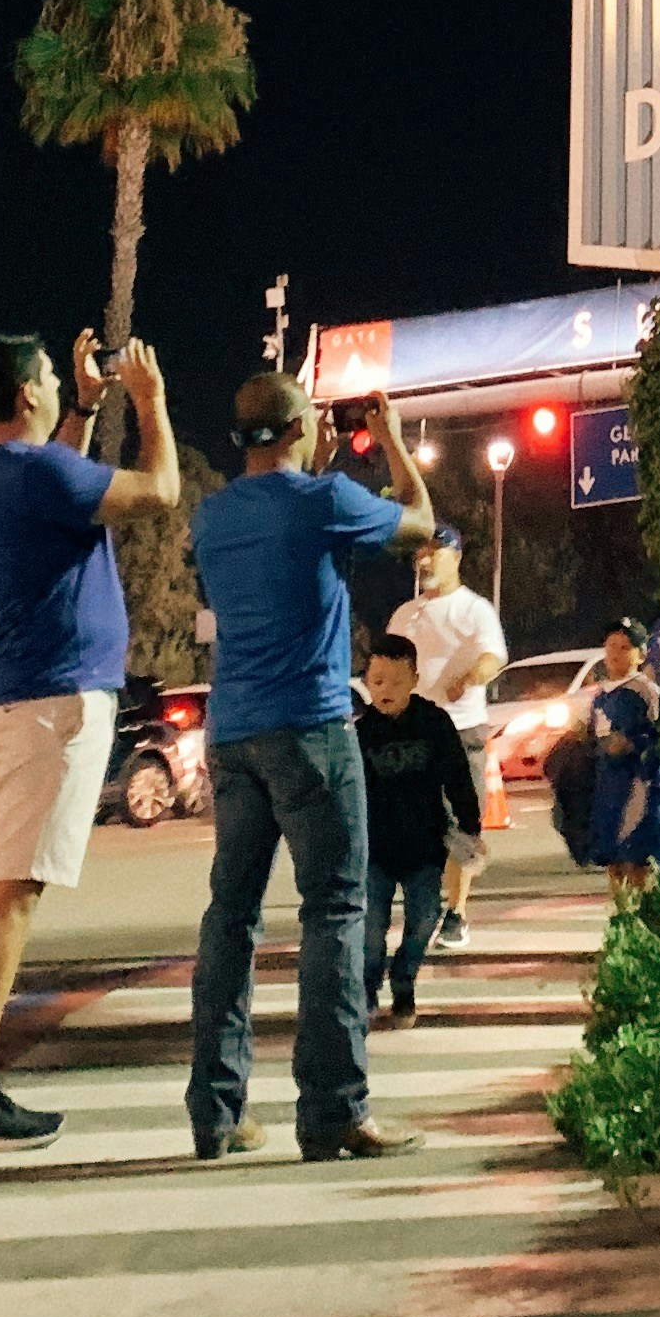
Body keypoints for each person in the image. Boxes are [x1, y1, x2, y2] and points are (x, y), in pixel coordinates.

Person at [0, 328, 182, 1151]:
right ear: (28, 392)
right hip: (50, 702)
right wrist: (149, 401)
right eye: (51, 378)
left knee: (10, 886)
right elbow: (162, 490)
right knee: (9, 890)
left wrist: (82, 404)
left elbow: (62, 476)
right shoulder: (36, 472)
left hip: (28, 698)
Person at [187, 370, 436, 1161]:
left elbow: (280, 519)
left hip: (232, 735)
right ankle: (332, 1110)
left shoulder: (214, 516)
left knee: (232, 916)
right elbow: (421, 523)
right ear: (299, 427)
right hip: (313, 730)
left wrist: (313, 458)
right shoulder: (326, 505)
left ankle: (216, 1113)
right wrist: (390, 437)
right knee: (334, 910)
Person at [353, 629, 481, 1029]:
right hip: (375, 849)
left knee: (424, 919)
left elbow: (458, 776)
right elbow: (346, 794)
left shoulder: (434, 723)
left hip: (426, 846)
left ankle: (404, 981)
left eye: (395, 681)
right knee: (370, 930)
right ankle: (368, 988)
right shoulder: (359, 733)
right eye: (377, 681)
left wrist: (470, 826)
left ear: (414, 679)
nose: (385, 690)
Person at [387, 524, 505, 955]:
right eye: (420, 552)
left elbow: (494, 656)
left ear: (455, 556)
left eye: (434, 550)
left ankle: (455, 914)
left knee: (457, 820)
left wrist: (470, 677)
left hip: (460, 728)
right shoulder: (405, 614)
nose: (425, 559)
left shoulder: (474, 609)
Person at [571, 622, 660, 904]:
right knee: (614, 859)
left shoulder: (645, 691)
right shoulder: (601, 695)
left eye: (624, 648)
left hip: (639, 785)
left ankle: (646, 917)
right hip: (608, 788)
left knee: (638, 859)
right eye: (611, 647)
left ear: (640, 655)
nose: (615, 654)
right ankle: (621, 916)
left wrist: (632, 744)